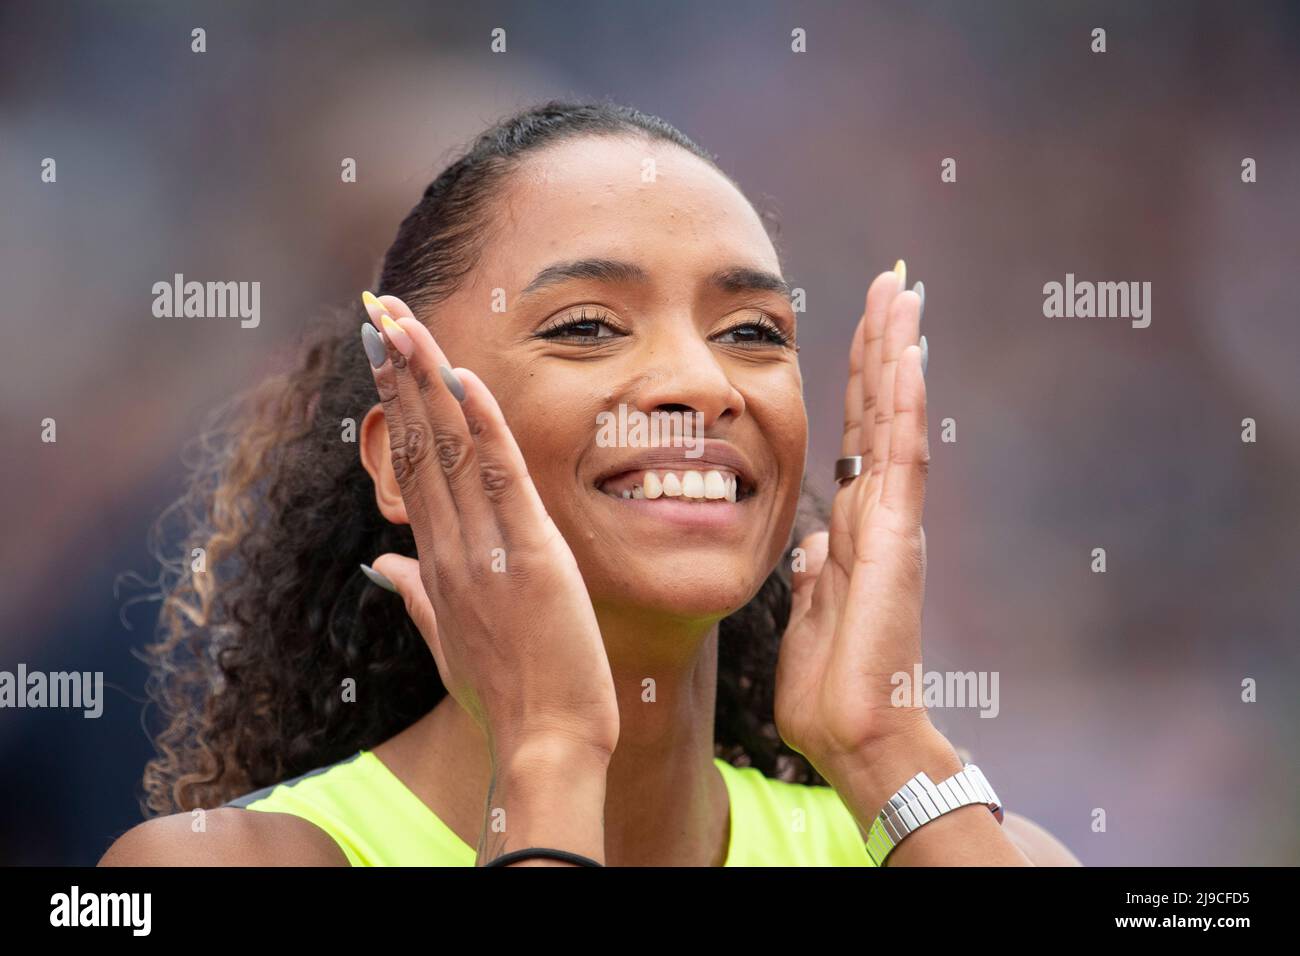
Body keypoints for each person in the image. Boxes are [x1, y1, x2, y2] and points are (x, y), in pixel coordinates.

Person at [100, 100, 1080, 867]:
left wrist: (886, 749)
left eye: (751, 332)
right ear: (405, 453)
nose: (702, 383)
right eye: (585, 325)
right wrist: (549, 758)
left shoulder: (953, 841)